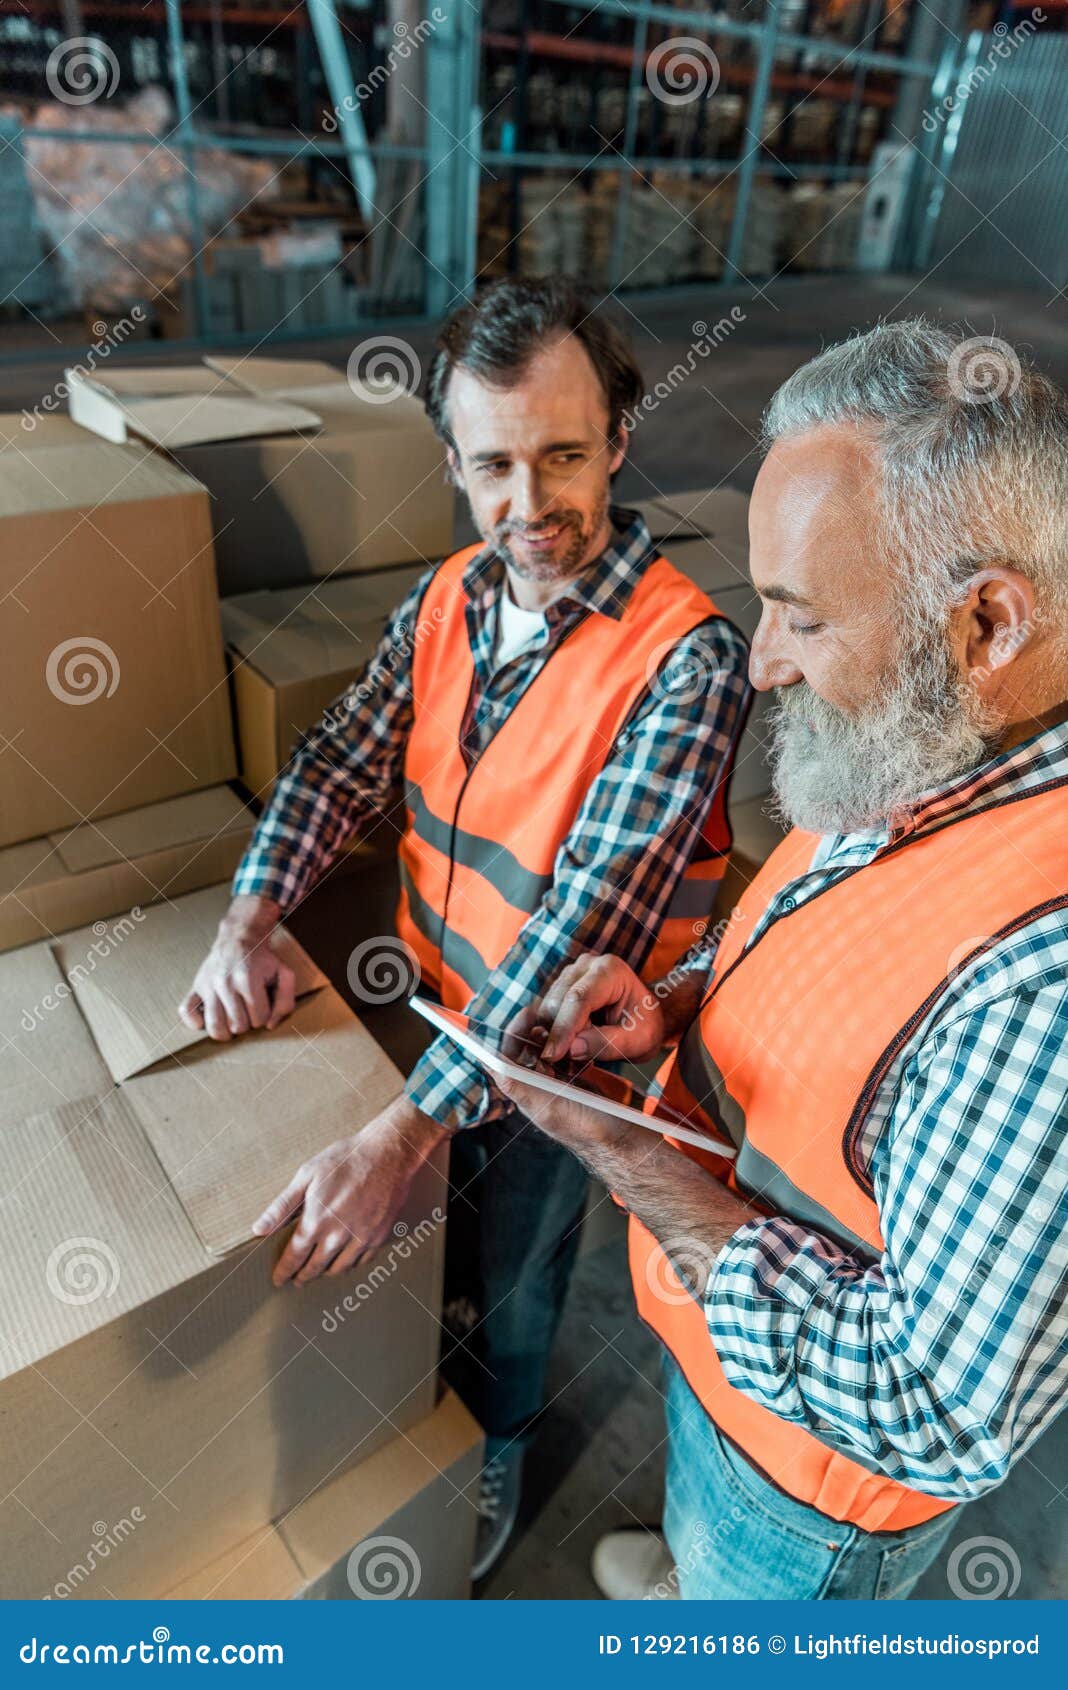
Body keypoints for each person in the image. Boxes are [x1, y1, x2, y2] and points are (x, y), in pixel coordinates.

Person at [179, 276, 750, 1578]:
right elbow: (338, 764)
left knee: (515, 1282)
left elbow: (574, 925)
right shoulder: (446, 600)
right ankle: (413, 1406)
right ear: (455, 460)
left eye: (561, 455)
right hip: (430, 1009)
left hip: (560, 1065)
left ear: (617, 439)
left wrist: (396, 1135)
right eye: (493, 464)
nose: (529, 504)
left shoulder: (683, 659)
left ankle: (494, 1447)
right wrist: (251, 913)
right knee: (425, 1248)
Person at [497, 319, 1068, 1601]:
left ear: (986, 622)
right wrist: (682, 998)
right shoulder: (919, 743)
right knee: (701, 1524)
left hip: (805, 1492)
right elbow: (855, 944)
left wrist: (628, 1158)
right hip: (727, 1368)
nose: (759, 663)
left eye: (799, 618)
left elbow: (935, 1406)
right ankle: (698, 1556)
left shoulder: (1050, 984)